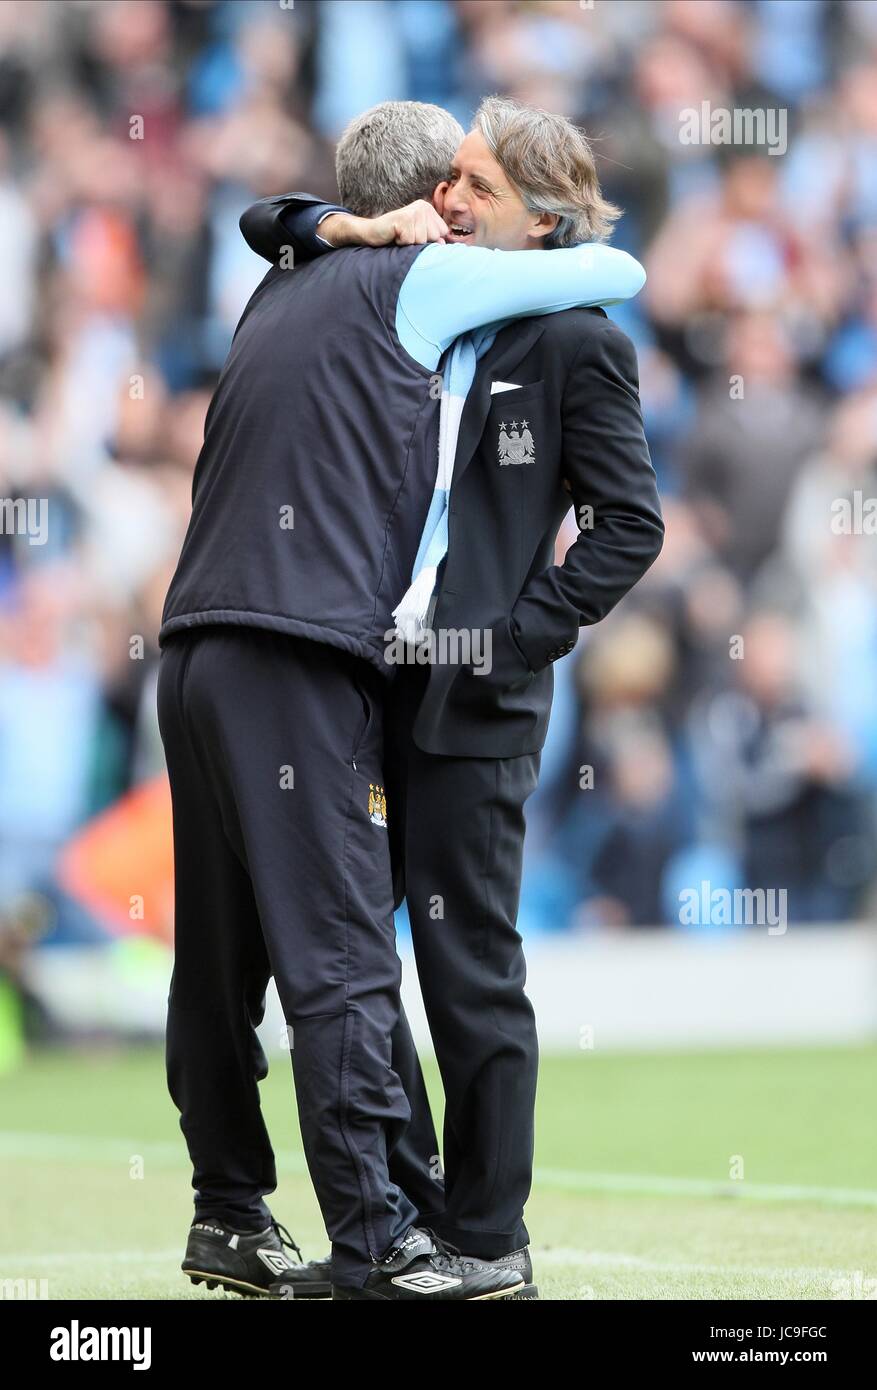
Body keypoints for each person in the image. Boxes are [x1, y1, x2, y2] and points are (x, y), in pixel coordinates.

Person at [158, 99, 648, 1301]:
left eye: (482, 188)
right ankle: (396, 1233)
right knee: (345, 963)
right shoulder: (411, 283)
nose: (459, 206)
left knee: (411, 967)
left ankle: (468, 1234)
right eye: (455, 185)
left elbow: (627, 518)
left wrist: (503, 643)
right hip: (332, 669)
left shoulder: (313, 294)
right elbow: (273, 218)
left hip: (395, 681)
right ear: (418, 208)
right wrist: (336, 223)